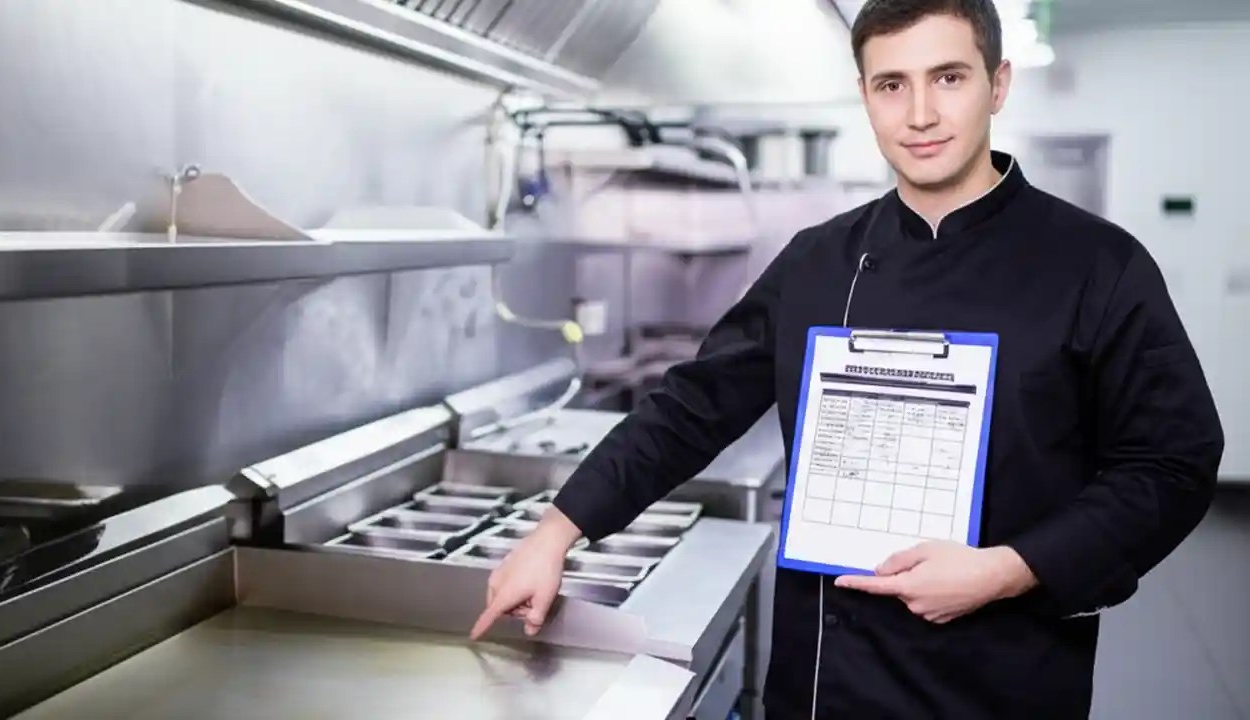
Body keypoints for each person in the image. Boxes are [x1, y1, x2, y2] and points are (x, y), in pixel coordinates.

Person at [470, 0, 1226, 716]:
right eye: (892, 85)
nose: (920, 114)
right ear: (864, 93)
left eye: (948, 78)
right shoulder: (818, 262)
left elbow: (1171, 463)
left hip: (1004, 681)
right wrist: (557, 530)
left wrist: (1009, 567)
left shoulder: (1095, 264)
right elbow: (693, 405)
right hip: (826, 681)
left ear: (997, 85)